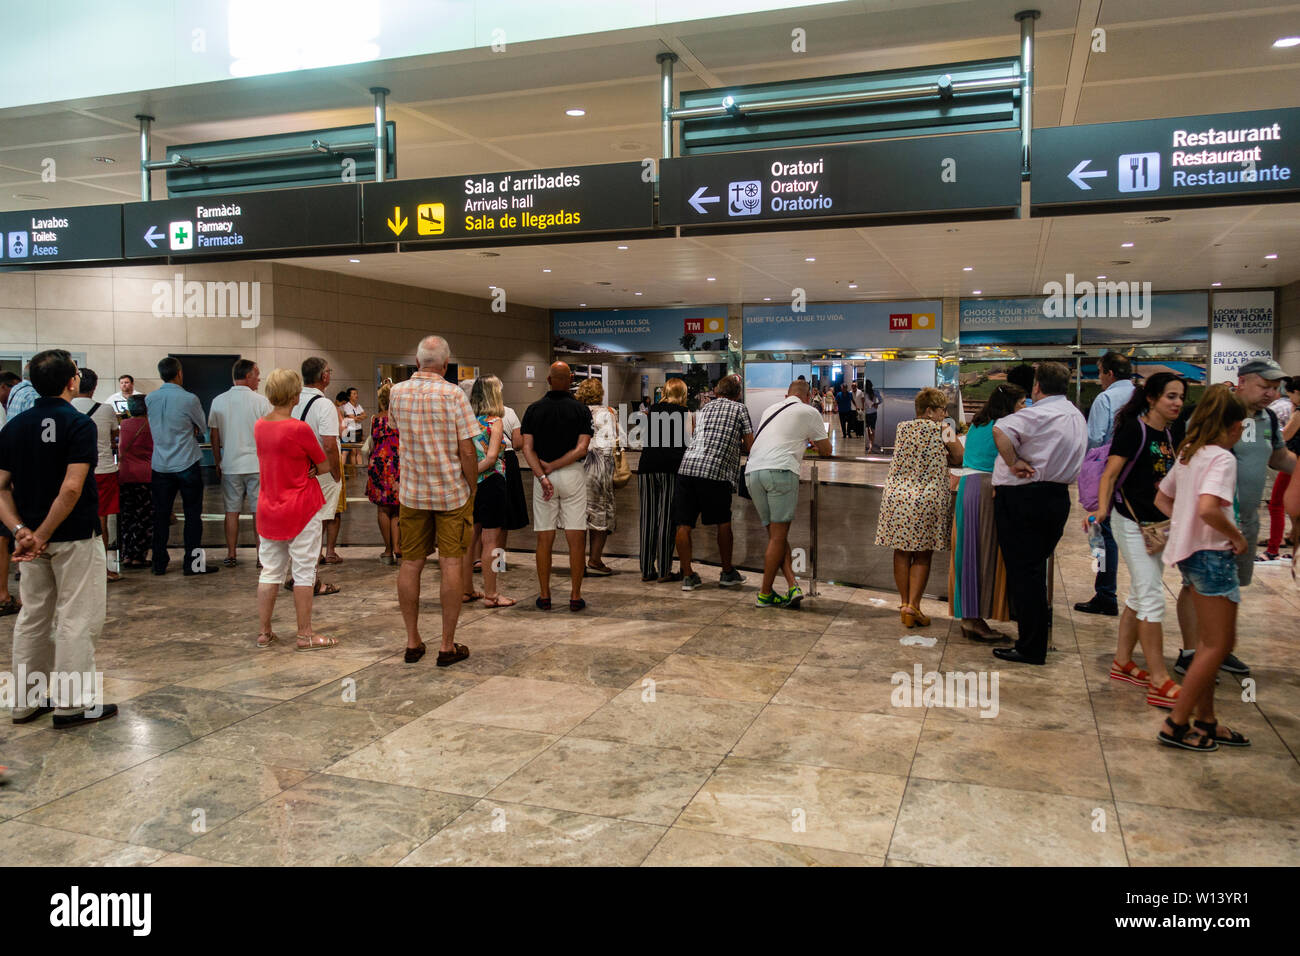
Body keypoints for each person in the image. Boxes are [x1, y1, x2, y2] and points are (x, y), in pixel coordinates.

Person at [0, 349, 117, 727]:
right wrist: (44, 534)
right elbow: (70, 489)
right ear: (72, 381)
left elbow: (0, 488)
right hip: (74, 537)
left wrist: (23, 533)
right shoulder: (77, 424)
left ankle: (26, 701)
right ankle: (71, 704)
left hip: (31, 543)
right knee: (76, 619)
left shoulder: (14, 427)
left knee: (34, 617)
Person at [1174, 359, 1296, 678]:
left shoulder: (1268, 419)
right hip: (1212, 521)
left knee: (1230, 590)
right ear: (1241, 382)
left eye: (1275, 388)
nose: (1271, 394)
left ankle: (1219, 649)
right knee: (1197, 585)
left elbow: (1278, 457)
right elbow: (1189, 456)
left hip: (1245, 522)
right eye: (1264, 386)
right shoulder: (1217, 416)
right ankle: (1191, 653)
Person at [1155, 385, 1252, 752]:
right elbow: (1210, 508)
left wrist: (1183, 525)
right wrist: (1236, 537)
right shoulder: (1222, 459)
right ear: (1233, 425)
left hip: (1191, 557)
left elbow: (1163, 497)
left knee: (1208, 645)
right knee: (1218, 645)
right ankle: (1176, 723)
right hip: (1214, 555)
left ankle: (1206, 721)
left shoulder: (1189, 453)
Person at [1086, 373, 1186, 708]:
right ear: (1152, 398)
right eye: (1170, 396)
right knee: (1151, 596)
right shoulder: (1134, 429)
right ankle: (1159, 679)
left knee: (1141, 592)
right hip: (1129, 520)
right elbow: (1110, 474)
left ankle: (1122, 662)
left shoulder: (1170, 432)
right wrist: (1101, 509)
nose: (1177, 403)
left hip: (1157, 525)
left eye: (1180, 397)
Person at [989, 361, 1088, 665]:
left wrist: (1013, 461)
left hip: (1024, 497)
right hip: (1056, 497)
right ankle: (1034, 639)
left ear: (1036, 386)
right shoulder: (1075, 414)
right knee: (1034, 570)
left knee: (1025, 574)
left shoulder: (1039, 412)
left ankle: (1031, 646)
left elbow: (1000, 429)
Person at [388, 335, 479, 663]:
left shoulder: (396, 393)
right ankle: (446, 645)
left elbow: (397, 431)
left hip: (412, 493)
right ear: (445, 365)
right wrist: (472, 485)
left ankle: (412, 641)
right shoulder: (454, 394)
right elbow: (467, 448)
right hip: (450, 493)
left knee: (411, 563)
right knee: (451, 562)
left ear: (416, 362)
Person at [253, 368, 336, 651]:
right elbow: (323, 464)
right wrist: (313, 469)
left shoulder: (260, 426)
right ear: (295, 396)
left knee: (270, 571)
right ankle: (305, 634)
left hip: (268, 507)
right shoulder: (299, 429)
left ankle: (265, 632)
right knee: (303, 571)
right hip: (302, 507)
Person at [876, 387, 965, 626]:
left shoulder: (902, 428)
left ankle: (905, 604)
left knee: (901, 551)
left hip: (897, 496)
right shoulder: (944, 430)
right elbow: (959, 456)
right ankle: (914, 606)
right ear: (929, 411)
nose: (945, 414)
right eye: (942, 409)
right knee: (923, 553)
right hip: (927, 496)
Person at [745, 380, 831, 608]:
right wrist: (810, 442)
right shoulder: (809, 411)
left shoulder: (770, 410)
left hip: (752, 473)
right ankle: (765, 594)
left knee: (776, 537)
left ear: (786, 395)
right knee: (778, 536)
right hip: (780, 471)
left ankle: (793, 586)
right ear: (808, 396)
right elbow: (826, 450)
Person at [949, 382, 1024, 641]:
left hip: (968, 487)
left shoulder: (979, 424)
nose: (1024, 408)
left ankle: (970, 615)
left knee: (969, 552)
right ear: (1010, 406)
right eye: (1021, 403)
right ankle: (975, 618)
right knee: (983, 553)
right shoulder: (1002, 428)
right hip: (986, 488)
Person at [520, 362, 593, 611]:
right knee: (576, 537)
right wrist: (558, 465)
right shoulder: (581, 410)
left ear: (549, 380)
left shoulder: (533, 410)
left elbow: (527, 449)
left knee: (544, 538)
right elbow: (582, 448)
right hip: (572, 474)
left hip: (544, 479)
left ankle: (545, 595)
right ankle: (574, 596)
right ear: (571, 379)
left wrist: (543, 474)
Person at [674, 372, 752, 591]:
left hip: (687, 469)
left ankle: (688, 575)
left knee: (684, 524)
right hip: (715, 472)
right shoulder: (740, 409)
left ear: (717, 392)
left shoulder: (705, 408)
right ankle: (727, 572)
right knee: (723, 522)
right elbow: (750, 443)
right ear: (738, 394)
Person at [1075, 351, 1135, 617]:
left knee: (1100, 534)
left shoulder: (1106, 398)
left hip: (1107, 471)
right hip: (1135, 472)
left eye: (1100, 372)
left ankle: (1105, 593)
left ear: (1109, 373)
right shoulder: (1141, 395)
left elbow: (1095, 438)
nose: (1099, 378)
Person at [146, 356, 216, 577]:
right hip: (186, 462)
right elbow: (202, 426)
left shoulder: (150, 398)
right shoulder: (189, 399)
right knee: (193, 516)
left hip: (160, 464)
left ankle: (158, 563)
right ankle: (192, 564)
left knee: (160, 516)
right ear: (179, 373)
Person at [208, 359, 271, 568]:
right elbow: (268, 435)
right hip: (256, 465)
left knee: (231, 511)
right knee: (258, 512)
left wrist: (218, 461)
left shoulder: (218, 400)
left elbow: (214, 436)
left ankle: (231, 553)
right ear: (247, 375)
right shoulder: (261, 402)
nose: (259, 378)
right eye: (257, 374)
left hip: (231, 465)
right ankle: (261, 556)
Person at [291, 358, 344, 573]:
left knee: (305, 522)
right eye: (329, 371)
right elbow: (330, 443)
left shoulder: (294, 401)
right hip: (321, 470)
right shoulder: (324, 405)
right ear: (324, 376)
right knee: (319, 520)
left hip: (300, 469)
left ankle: (301, 569)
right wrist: (336, 472)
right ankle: (309, 576)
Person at [636, 377, 690, 582]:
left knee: (647, 518)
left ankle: (646, 569)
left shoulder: (652, 411)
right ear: (682, 393)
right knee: (667, 518)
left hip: (647, 466)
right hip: (671, 469)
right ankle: (664, 570)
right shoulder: (685, 414)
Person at [69, 368, 121, 583]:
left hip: (73, 472)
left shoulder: (67, 409)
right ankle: (103, 569)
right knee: (101, 520)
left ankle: (77, 569)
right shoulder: (106, 409)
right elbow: (114, 437)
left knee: (74, 518)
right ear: (94, 387)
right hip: (103, 470)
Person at [469, 374, 515, 608]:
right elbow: (491, 456)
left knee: (471, 537)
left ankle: (467, 589)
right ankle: (492, 593)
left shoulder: (466, 421)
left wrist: (468, 476)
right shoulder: (494, 421)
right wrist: (478, 472)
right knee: (492, 542)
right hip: (492, 482)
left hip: (469, 485)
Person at [575, 377, 626, 577]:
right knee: (600, 512)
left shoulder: (575, 412)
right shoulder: (609, 413)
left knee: (579, 515)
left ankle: (577, 560)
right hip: (600, 470)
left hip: (578, 467)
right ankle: (595, 559)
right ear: (600, 393)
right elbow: (620, 440)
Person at [1264, 377, 1300, 561]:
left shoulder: (1299, 413)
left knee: (1277, 503)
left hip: (1293, 462)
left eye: (1291, 394)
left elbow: (1286, 435)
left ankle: (1273, 549)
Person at [365, 382, 401, 565]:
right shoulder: (401, 419)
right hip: (398, 463)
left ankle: (387, 551)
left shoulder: (375, 419)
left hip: (378, 464)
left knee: (383, 508)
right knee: (397, 508)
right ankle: (397, 546)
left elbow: (373, 441)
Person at [117, 395, 153, 569]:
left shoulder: (123, 425)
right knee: (143, 518)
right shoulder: (150, 425)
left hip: (125, 476)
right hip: (145, 476)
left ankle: (126, 555)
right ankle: (139, 556)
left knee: (127, 517)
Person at [862, 379, 882, 452]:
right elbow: (881, 400)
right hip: (873, 413)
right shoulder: (875, 392)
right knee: (872, 429)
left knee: (869, 429)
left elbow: (867, 402)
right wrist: (876, 404)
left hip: (867, 413)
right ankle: (871, 445)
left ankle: (870, 446)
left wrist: (875, 404)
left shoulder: (865, 393)